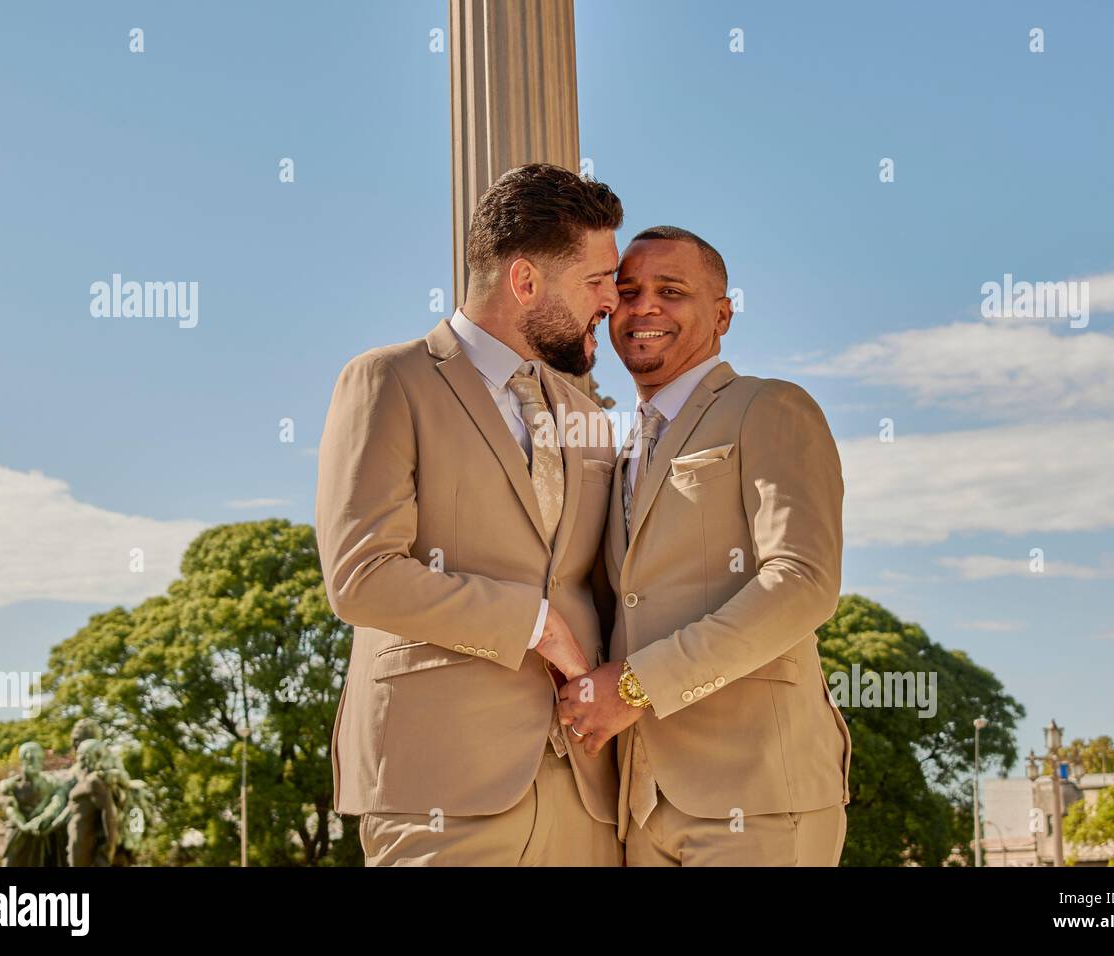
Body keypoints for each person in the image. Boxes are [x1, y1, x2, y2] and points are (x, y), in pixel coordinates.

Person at [316, 163, 625, 865]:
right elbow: (363, 577)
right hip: (439, 786)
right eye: (596, 280)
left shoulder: (592, 420)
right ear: (525, 282)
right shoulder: (388, 381)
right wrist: (533, 624)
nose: (615, 298)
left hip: (584, 792)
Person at [558, 226, 852, 865]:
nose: (645, 308)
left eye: (672, 291)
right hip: (640, 805)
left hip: (762, 794)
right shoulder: (618, 447)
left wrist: (635, 685)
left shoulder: (769, 407)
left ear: (723, 313)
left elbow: (802, 583)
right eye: (628, 291)